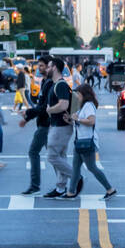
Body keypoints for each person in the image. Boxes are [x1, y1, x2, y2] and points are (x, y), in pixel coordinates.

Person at [63, 84, 117, 200]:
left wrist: (77, 119)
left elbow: (91, 121)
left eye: (78, 94)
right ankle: (71, 192)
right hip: (80, 141)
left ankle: (110, 189)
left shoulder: (88, 105)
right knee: (76, 167)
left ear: (83, 94)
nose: (76, 96)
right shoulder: (82, 106)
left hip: (86, 142)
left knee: (92, 167)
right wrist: (71, 120)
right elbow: (80, 123)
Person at [41, 55, 77, 197]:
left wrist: (49, 110)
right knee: (60, 156)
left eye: (49, 66)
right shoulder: (56, 84)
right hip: (59, 125)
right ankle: (60, 188)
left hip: (61, 126)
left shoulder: (60, 85)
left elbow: (64, 104)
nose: (47, 69)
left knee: (52, 156)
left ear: (54, 67)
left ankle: (77, 177)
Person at [19, 57, 52, 195]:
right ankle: (68, 182)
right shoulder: (44, 82)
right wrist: (27, 117)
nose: (40, 68)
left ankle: (35, 185)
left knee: (35, 152)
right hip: (44, 124)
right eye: (39, 65)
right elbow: (40, 105)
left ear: (50, 67)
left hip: (46, 124)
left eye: (42, 66)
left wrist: (28, 114)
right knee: (54, 156)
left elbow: (44, 107)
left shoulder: (50, 83)